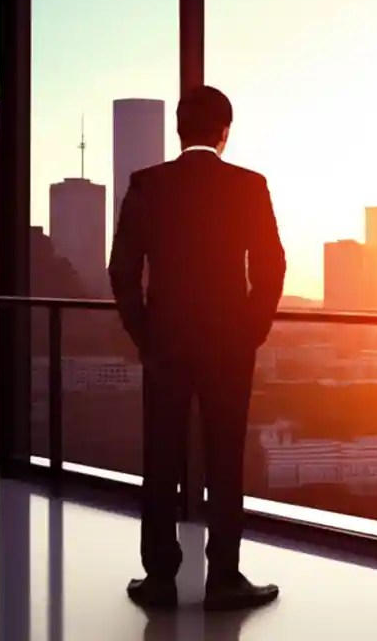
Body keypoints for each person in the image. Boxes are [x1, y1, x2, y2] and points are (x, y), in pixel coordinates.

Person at [110, 85, 286, 612]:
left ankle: (160, 578)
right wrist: (251, 329)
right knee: (225, 460)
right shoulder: (249, 186)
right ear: (225, 133)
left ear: (179, 129)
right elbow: (272, 266)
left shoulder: (148, 185)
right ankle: (224, 578)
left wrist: (146, 332)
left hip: (166, 342)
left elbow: (122, 271)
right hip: (229, 346)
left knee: (161, 457)